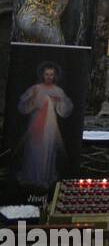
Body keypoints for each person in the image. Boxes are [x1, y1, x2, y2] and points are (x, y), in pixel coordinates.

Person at [17, 62, 74, 190]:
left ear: (54, 76)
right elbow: (22, 106)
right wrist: (33, 101)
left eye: (51, 75)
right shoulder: (35, 88)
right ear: (42, 75)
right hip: (35, 124)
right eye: (47, 74)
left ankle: (45, 178)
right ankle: (32, 178)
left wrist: (59, 101)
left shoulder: (58, 91)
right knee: (33, 150)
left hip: (50, 125)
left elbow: (66, 109)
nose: (49, 77)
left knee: (48, 149)